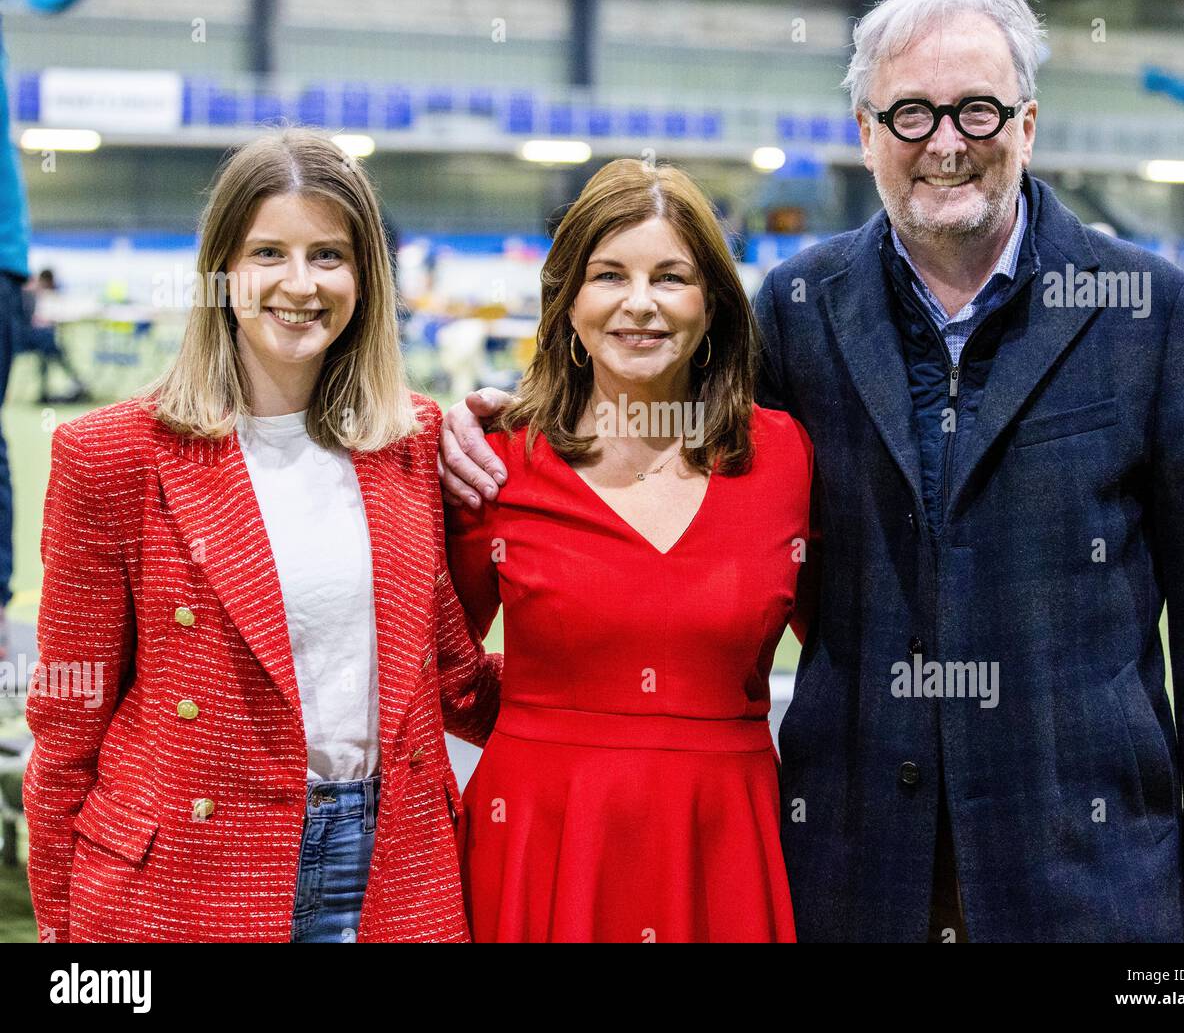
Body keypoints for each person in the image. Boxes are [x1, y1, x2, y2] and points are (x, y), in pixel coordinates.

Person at [441, 0, 1184, 943]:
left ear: (1029, 124)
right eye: (912, 112)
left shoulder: (1148, 309)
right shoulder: (798, 307)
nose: (946, 141)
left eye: (978, 109)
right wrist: (507, 417)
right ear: (867, 131)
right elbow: (672, 412)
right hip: (859, 859)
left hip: (1085, 861)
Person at [23, 128, 502, 942]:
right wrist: (67, 942)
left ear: (364, 279)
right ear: (221, 275)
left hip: (396, 871)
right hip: (183, 882)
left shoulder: (414, 442)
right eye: (267, 253)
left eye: (328, 255)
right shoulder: (112, 456)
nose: (300, 283)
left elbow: (451, 678)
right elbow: (67, 721)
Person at [444, 157, 815, 942]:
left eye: (671, 277)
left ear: (713, 302)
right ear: (570, 300)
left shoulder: (785, 458)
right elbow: (431, 666)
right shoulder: (497, 460)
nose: (639, 304)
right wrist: (551, 722)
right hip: (539, 839)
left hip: (724, 845)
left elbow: (844, 651)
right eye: (609, 275)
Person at [19, 268, 90, 404]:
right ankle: (75, 380)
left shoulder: (42, 294)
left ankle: (52, 387)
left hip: (36, 337)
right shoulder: (29, 293)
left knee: (48, 343)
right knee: (48, 343)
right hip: (24, 338)